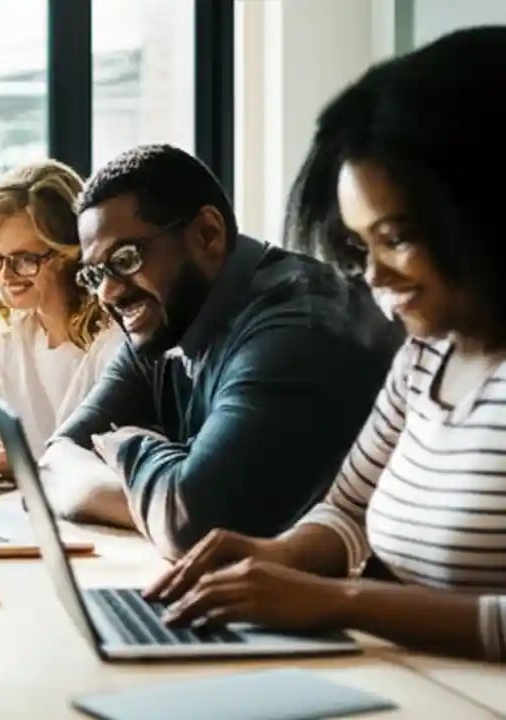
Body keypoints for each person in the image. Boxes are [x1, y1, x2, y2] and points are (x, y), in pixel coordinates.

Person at [146, 27, 506, 663]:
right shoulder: (428, 355)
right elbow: (347, 513)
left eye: (395, 238)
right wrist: (273, 557)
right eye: (360, 246)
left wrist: (339, 601)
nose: (372, 277)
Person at [42, 144, 402, 559]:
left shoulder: (298, 323)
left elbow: (193, 523)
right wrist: (165, 489)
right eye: (95, 273)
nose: (108, 291)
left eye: (126, 258)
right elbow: (55, 462)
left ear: (207, 234)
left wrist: (126, 446)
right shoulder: (159, 323)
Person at [0, 160, 122, 471]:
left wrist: (15, 461)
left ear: (70, 254)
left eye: (24, 259)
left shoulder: (112, 343)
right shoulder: (15, 340)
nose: (5, 275)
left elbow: (111, 465)